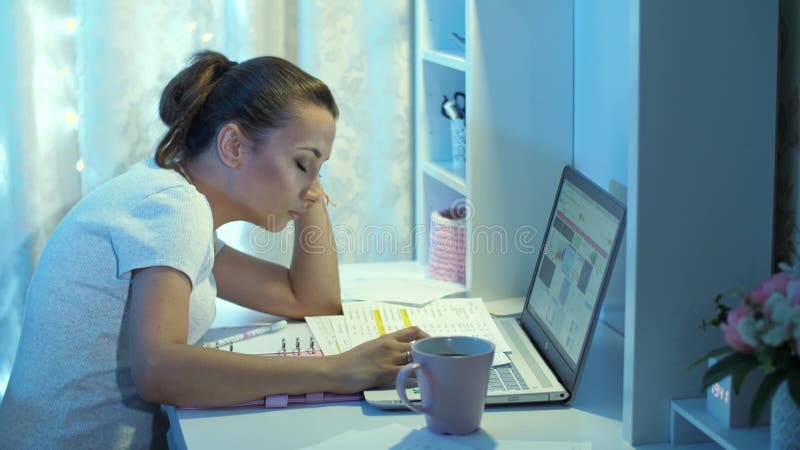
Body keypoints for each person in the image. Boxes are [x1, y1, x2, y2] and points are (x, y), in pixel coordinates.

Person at [0, 51, 427, 449]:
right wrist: (337, 370)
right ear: (232, 146)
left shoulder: (173, 201)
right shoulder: (173, 208)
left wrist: (308, 189)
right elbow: (159, 370)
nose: (315, 188)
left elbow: (310, 300)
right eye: (301, 163)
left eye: (320, 169)